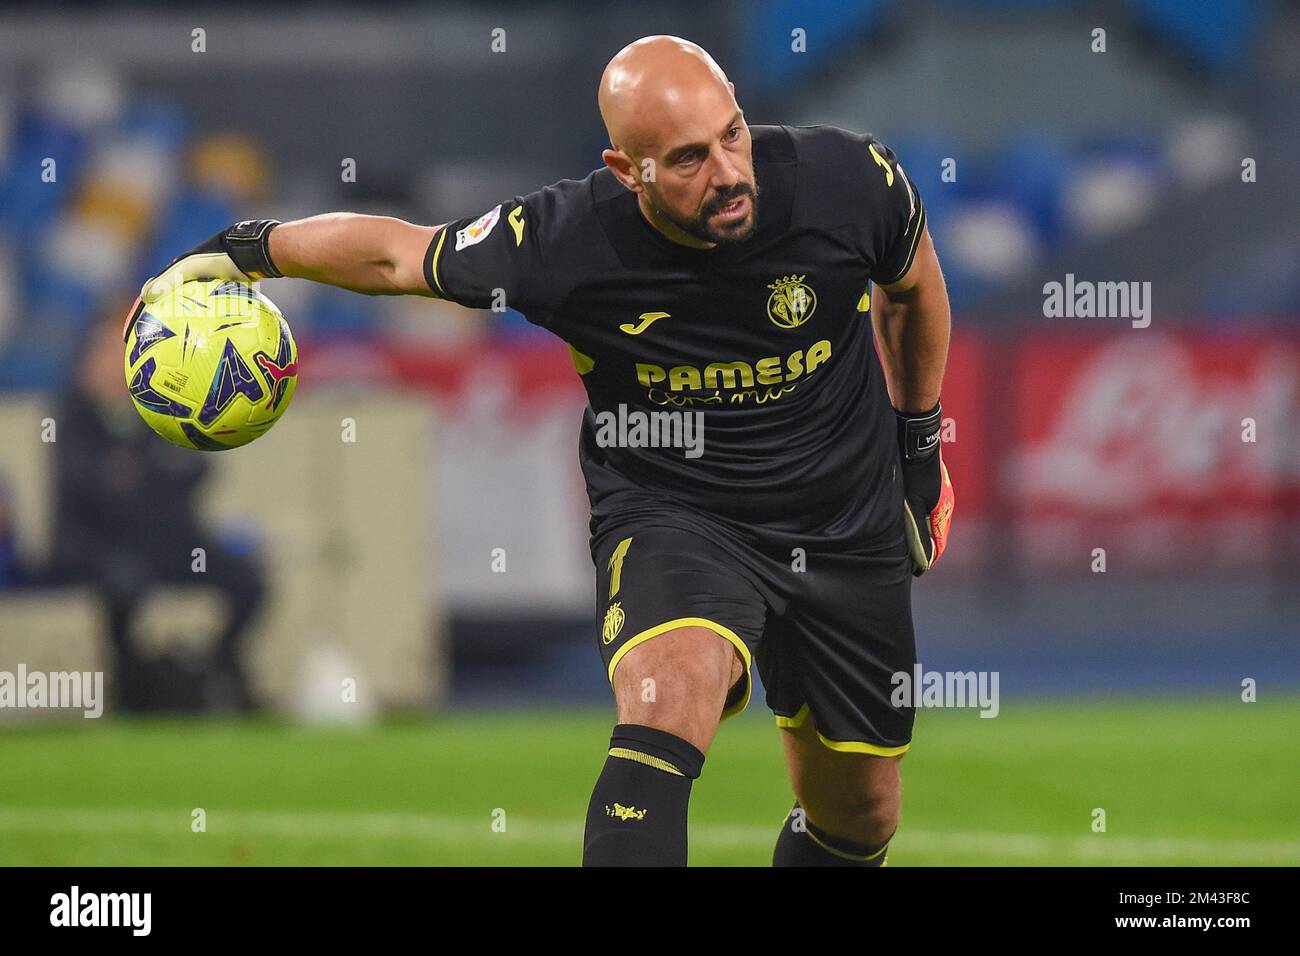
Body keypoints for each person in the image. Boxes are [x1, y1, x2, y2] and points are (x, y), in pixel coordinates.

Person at [139, 34, 953, 865]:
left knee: (860, 815)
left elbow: (912, 283)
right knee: (665, 699)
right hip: (680, 516)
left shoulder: (847, 180)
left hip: (843, 515)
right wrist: (240, 249)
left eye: (731, 135)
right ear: (625, 168)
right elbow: (397, 255)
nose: (729, 173)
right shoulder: (563, 239)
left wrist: (919, 450)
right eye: (686, 160)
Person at [50, 311, 265, 712]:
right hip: (100, 546)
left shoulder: (162, 403)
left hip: (170, 542)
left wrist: (136, 475)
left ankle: (216, 666)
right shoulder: (72, 415)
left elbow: (197, 464)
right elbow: (94, 489)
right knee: (125, 586)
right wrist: (146, 476)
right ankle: (131, 687)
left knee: (249, 580)